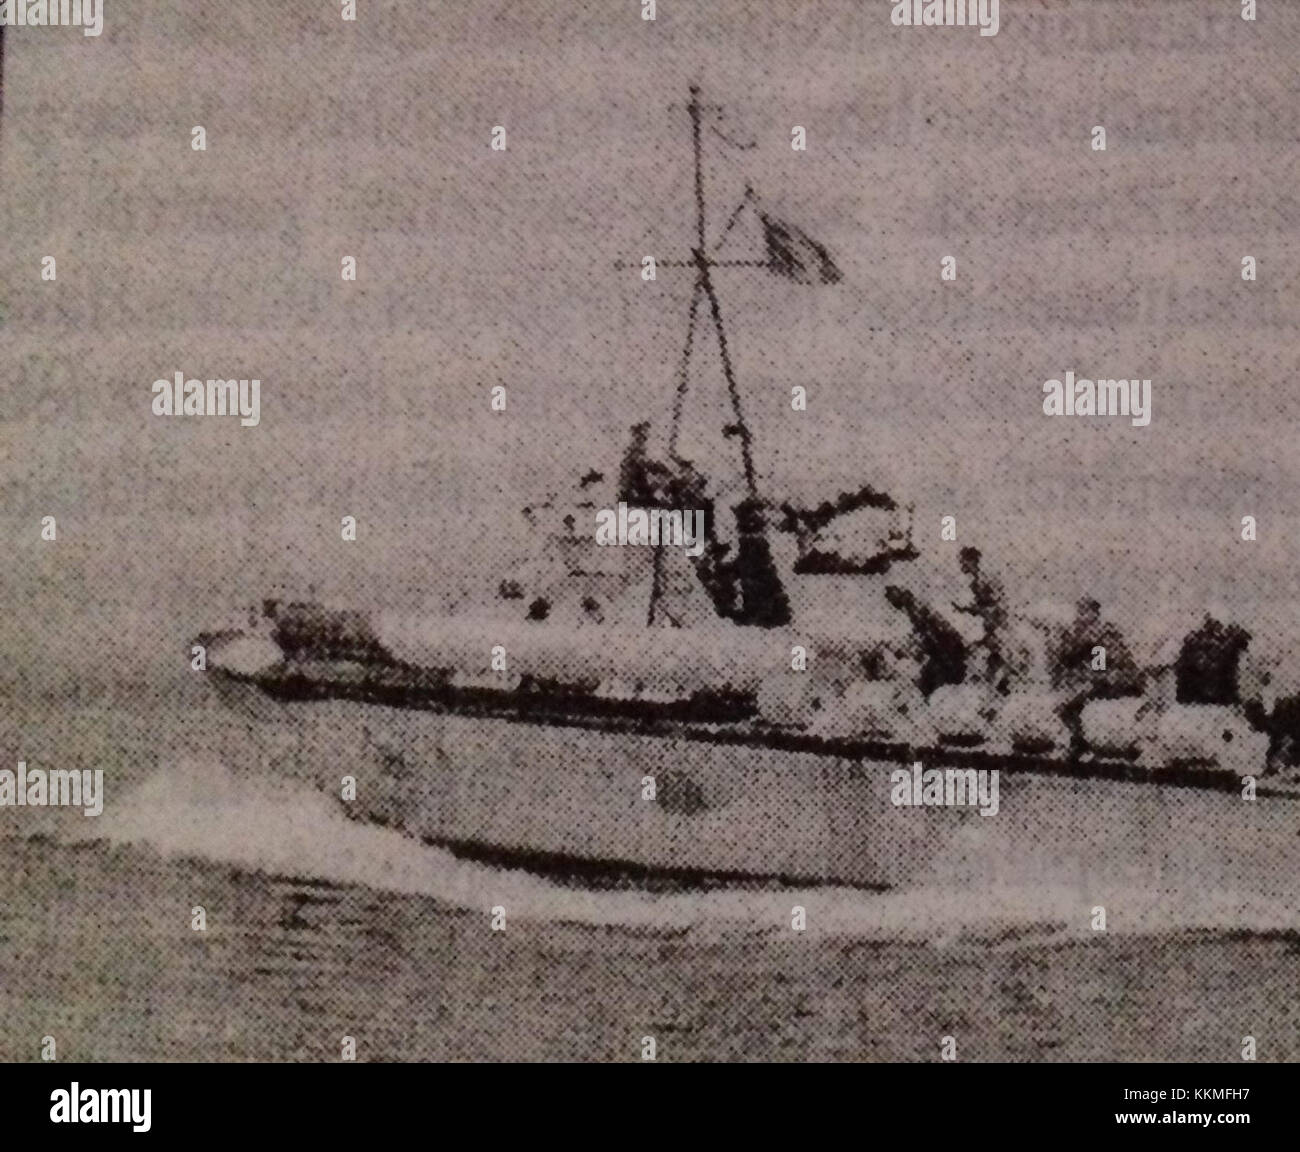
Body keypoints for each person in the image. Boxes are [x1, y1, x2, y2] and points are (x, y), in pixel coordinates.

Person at [1048, 598, 1143, 754]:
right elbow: (1063, 661)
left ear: (1094, 614)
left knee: (1069, 702)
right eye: (1079, 612)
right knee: (1067, 702)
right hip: (1098, 680)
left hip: (1114, 680)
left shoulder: (1103, 635)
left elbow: (1100, 668)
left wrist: (1081, 685)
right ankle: (1077, 742)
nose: (1080, 617)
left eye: (1084, 612)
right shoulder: (1078, 635)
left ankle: (1079, 742)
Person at [884, 585, 968, 698]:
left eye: (897, 595)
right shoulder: (902, 617)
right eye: (894, 598)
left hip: (942, 642)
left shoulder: (919, 604)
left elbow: (936, 620)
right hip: (933, 649)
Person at [952, 546, 1008, 690]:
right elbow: (982, 609)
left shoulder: (986, 579)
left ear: (972, 561)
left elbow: (997, 604)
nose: (961, 565)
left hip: (999, 624)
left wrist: (968, 609)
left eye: (963, 562)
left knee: (995, 654)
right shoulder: (974, 583)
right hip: (989, 625)